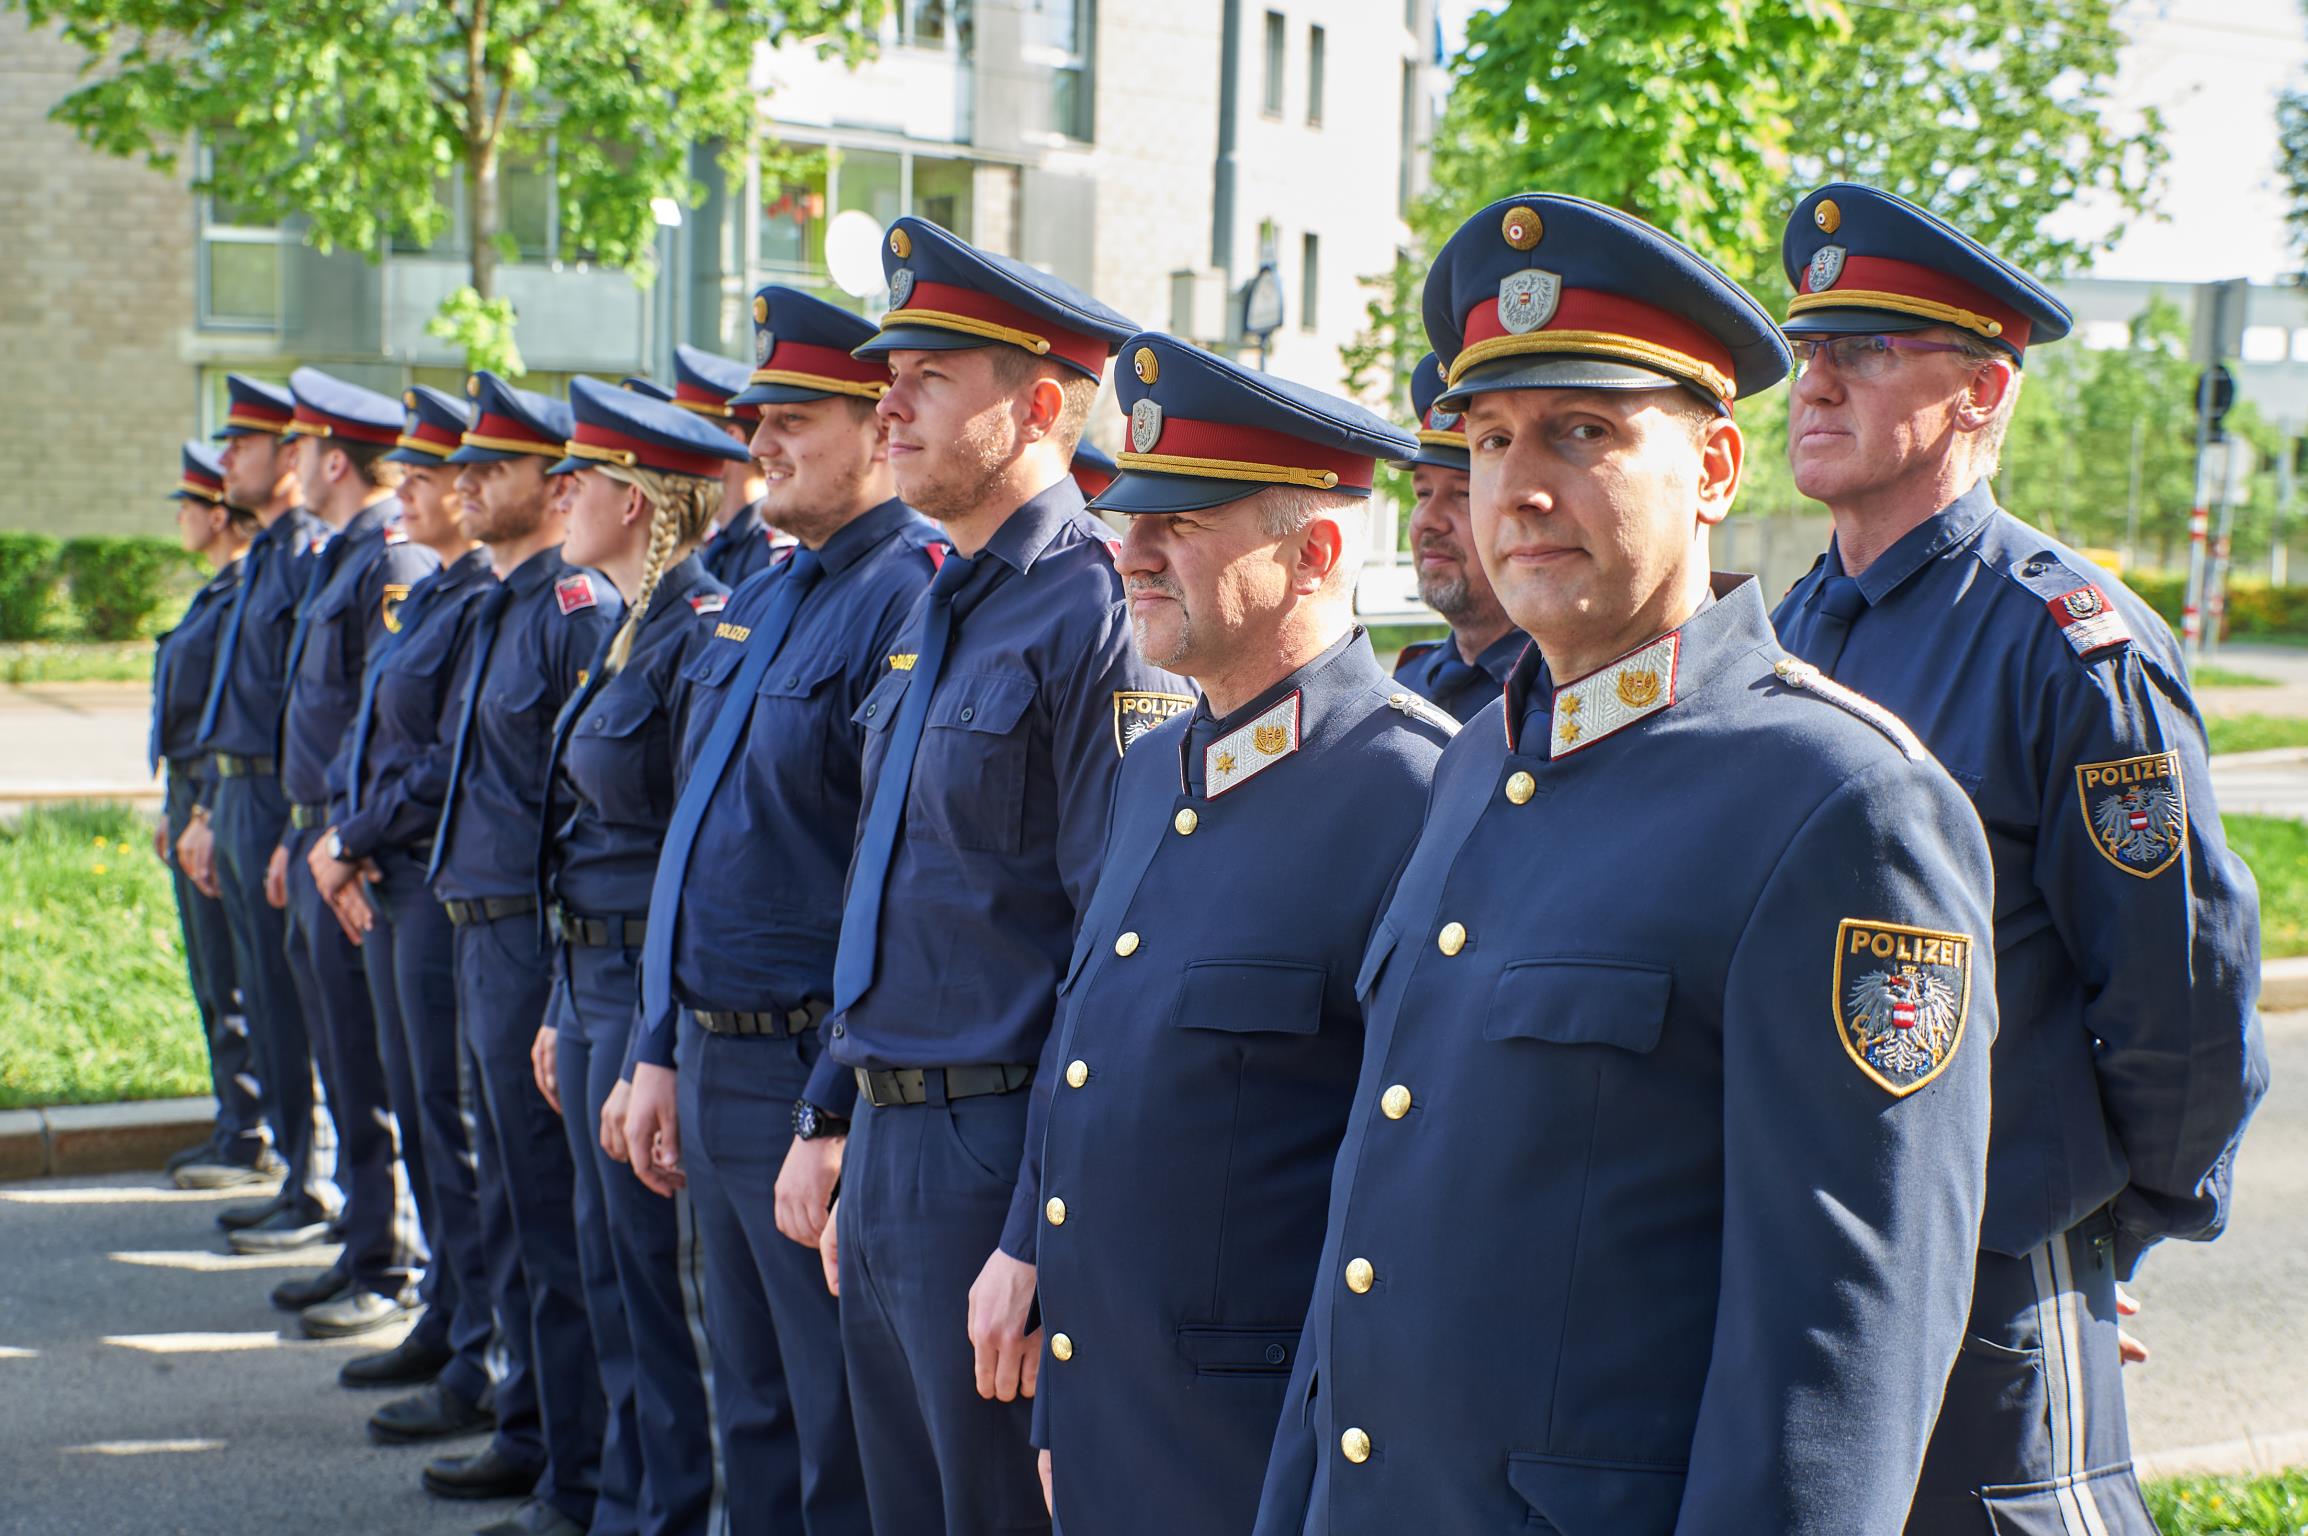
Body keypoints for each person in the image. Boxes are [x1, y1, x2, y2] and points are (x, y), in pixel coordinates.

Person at [1251, 192, 1999, 1536]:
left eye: (1583, 433)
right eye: (1487, 441)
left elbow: (1834, 1370)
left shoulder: (1840, 805)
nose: (1519, 486)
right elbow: (1369, 1242)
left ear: (1714, 470)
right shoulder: (1479, 759)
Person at [1769, 182, 2270, 1535]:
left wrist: (2113, 1239)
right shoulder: (1779, 632)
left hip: (1994, 1271)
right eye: (1809, 351)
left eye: (1865, 352)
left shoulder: (2065, 644)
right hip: (1797, 1254)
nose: (1814, 382)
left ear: (1983, 392)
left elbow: (2177, 1000)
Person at [793, 216, 1193, 1535]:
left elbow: (1112, 942)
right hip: (899, 1134)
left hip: (1000, 1147)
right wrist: (835, 1110)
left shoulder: (1094, 608)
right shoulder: (936, 597)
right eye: (888, 373)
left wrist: (1036, 1229)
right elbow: (890, 889)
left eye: (928, 378)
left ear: (1033, 407)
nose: (887, 401)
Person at [1028, 332, 1452, 1532]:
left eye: (1182, 523)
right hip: (1110, 1414)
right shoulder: (1156, 761)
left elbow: (1416, 1199)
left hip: (1270, 1458)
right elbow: (1090, 1060)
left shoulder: (1421, 791)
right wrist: (1069, 1406)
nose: (1132, 550)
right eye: (1128, 515)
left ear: (1315, 551)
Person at [621, 283, 938, 1536]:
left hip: (808, 1073)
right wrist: (656, 1044)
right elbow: (693, 833)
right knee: (748, 1402)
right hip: (713, 1056)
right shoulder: (767, 590)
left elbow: (893, 876)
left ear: (877, 426)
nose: (759, 443)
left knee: (836, 1433)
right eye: (755, 419)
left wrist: (840, 1104)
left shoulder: (905, 596)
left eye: (792, 417)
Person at [533, 377, 738, 1536]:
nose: (563, 494)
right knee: (608, 1267)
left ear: (638, 502)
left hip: (646, 991)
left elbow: (680, 858)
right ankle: (623, 1500)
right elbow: (577, 840)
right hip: (592, 978)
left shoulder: (696, 632)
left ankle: (668, 1512)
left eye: (582, 479)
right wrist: (566, 1000)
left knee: (661, 1289)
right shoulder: (623, 632)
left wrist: (647, 1035)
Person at [424, 372, 623, 1536]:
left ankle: (575, 1472)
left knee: (549, 1216)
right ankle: (528, 1425)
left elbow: (577, 813)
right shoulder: (503, 605)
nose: (465, 487)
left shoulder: (574, 611)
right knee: (510, 1199)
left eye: (489, 469)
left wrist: (556, 972)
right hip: (477, 928)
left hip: (528, 939)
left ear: (552, 489)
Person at [321, 386, 504, 1446]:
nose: (420, 493)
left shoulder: (478, 596)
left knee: (448, 1116)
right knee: (424, 1108)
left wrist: (355, 834)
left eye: (433, 477)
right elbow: (371, 736)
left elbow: (442, 765)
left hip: (428, 883)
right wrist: (349, 835)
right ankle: (448, 1311)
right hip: (389, 877)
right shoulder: (428, 598)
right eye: (428, 476)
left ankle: (480, 1344)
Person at [255, 370, 437, 1347]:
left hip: (355, 849)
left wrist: (350, 843)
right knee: (342, 1054)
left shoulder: (391, 558)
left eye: (299, 447)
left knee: (372, 1070)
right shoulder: (345, 554)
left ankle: (389, 1259)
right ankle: (364, 1239)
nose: (290, 464)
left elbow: (395, 730)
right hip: (323, 833)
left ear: (332, 458)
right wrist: (305, 833)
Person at [180, 373, 338, 1261]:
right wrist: (206, 805)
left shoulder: (312, 554)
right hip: (235, 792)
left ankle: (315, 1177)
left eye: (244, 443)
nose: (227, 457)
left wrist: (286, 825)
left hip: (278, 798)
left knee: (291, 1000)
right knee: (256, 988)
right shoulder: (267, 560)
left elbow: (309, 713)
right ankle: (292, 1169)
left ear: (291, 459)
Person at [153, 441, 270, 1191]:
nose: (183, 519)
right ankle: (237, 1122)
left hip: (217, 796)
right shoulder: (216, 591)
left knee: (236, 978)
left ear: (222, 516)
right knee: (211, 977)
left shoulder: (241, 595)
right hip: (194, 794)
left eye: (192, 506)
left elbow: (231, 712)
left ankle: (252, 1131)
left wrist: (199, 807)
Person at [1387, 350, 1522, 722]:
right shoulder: (1410, 680)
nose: (1428, 520)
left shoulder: (1551, 692)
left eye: (1462, 494)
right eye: (1423, 493)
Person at [677, 343, 787, 588]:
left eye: (688, 436)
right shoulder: (715, 543)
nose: (675, 451)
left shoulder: (772, 552)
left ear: (730, 438)